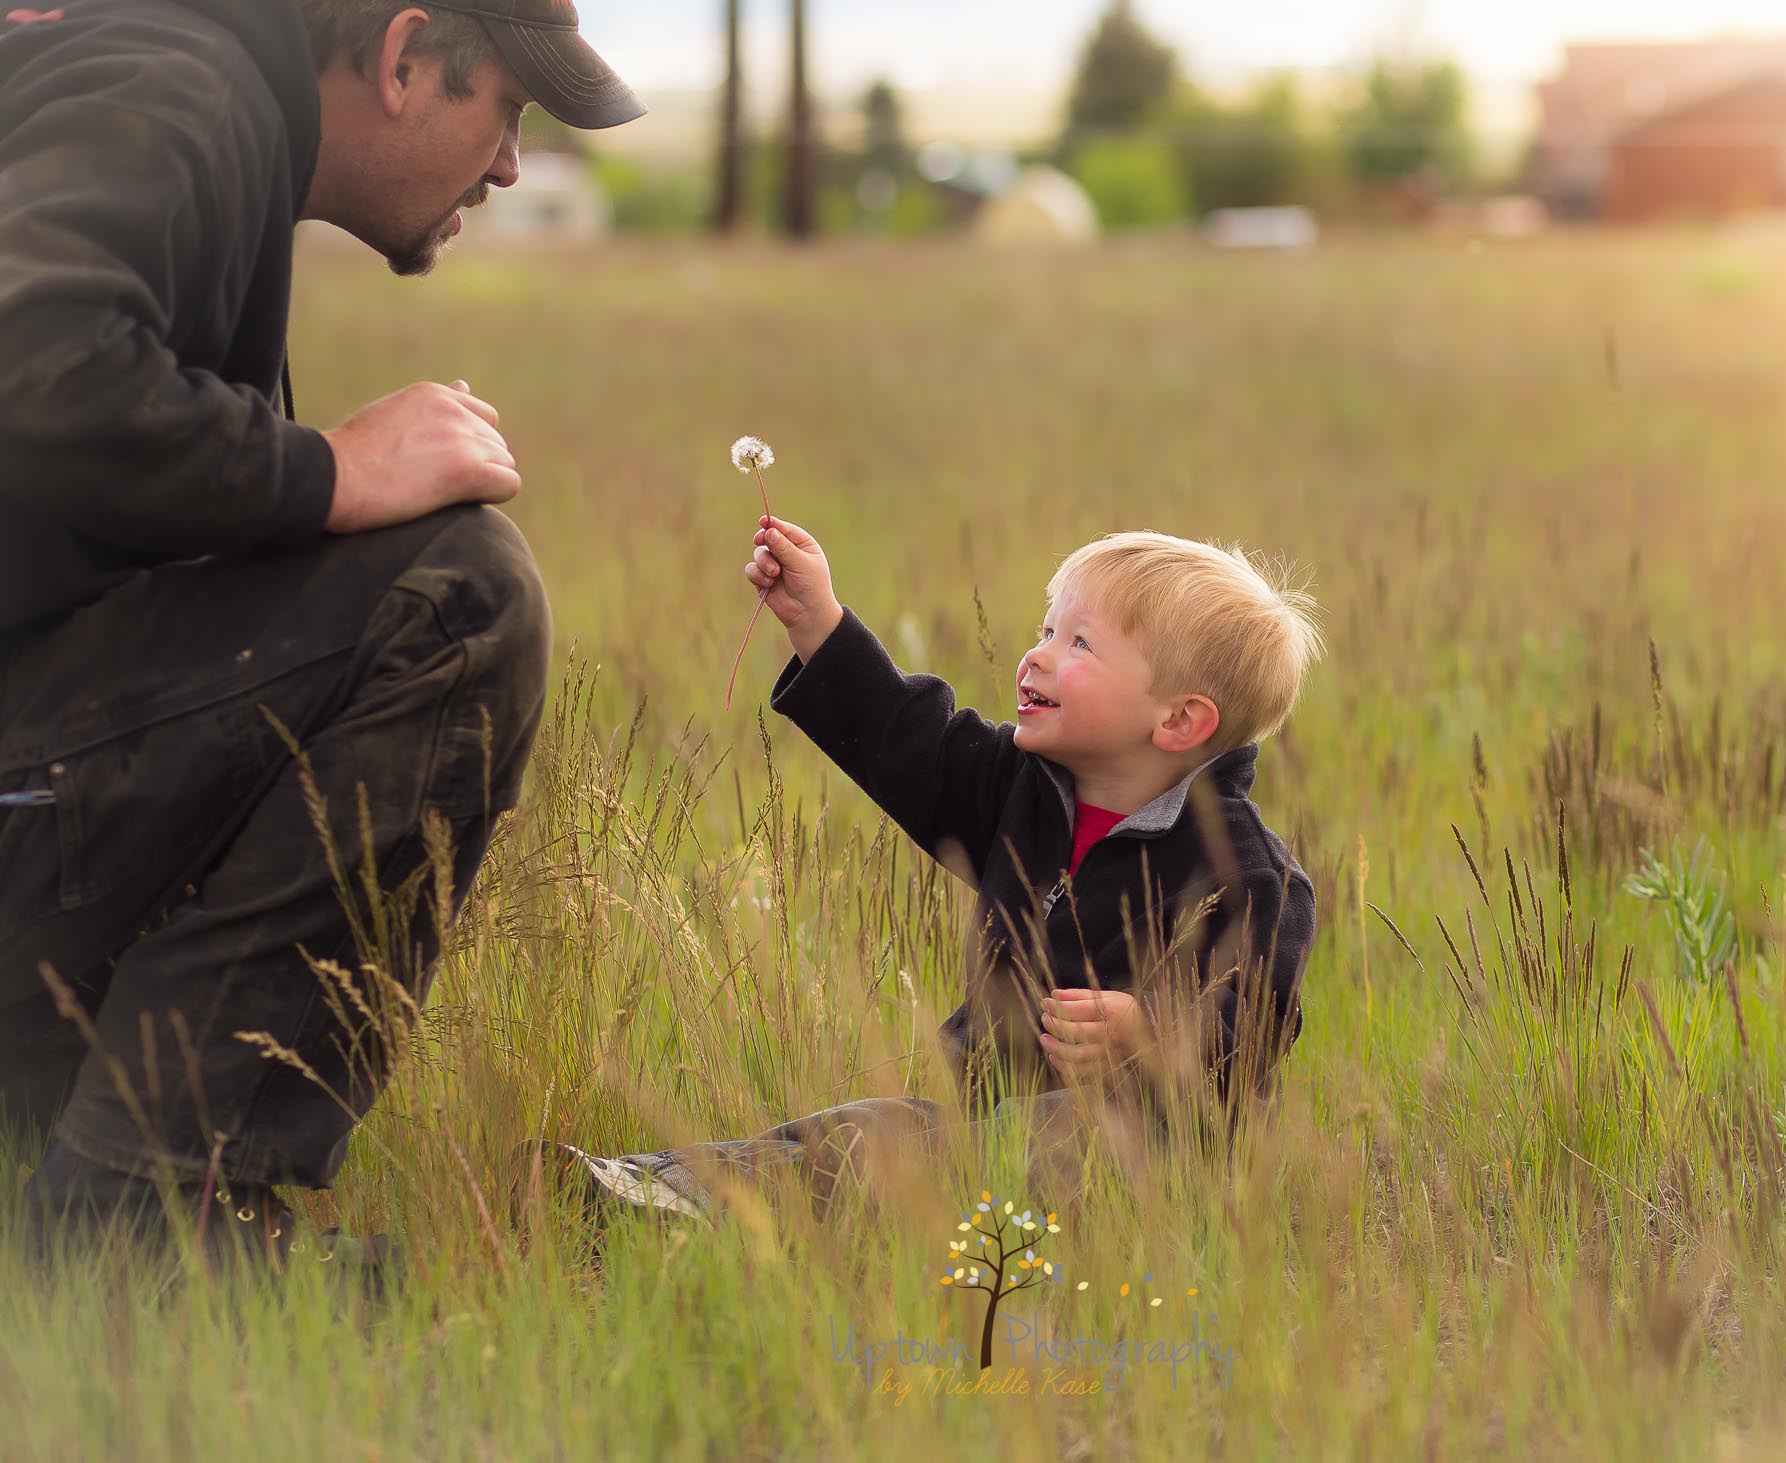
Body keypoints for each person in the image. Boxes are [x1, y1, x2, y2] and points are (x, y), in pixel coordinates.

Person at [0, 0, 641, 1265]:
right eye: (505, 108)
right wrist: (323, 473)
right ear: (403, 57)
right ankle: (142, 1221)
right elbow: (31, 349)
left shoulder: (144, 70)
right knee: (454, 595)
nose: (511, 164)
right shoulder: (179, 83)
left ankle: (72, 1147)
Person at [546, 518, 1324, 1220]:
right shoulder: (1026, 791)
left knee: (894, 1145)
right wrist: (820, 623)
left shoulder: (1248, 877)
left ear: (1180, 719)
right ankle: (644, 1183)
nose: (1036, 655)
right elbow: (907, 741)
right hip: (982, 1121)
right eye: (1047, 629)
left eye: (1078, 645)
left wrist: (1146, 1031)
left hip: (1146, 1160)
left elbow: (1256, 1022)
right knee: (859, 1125)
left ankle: (690, 1210)